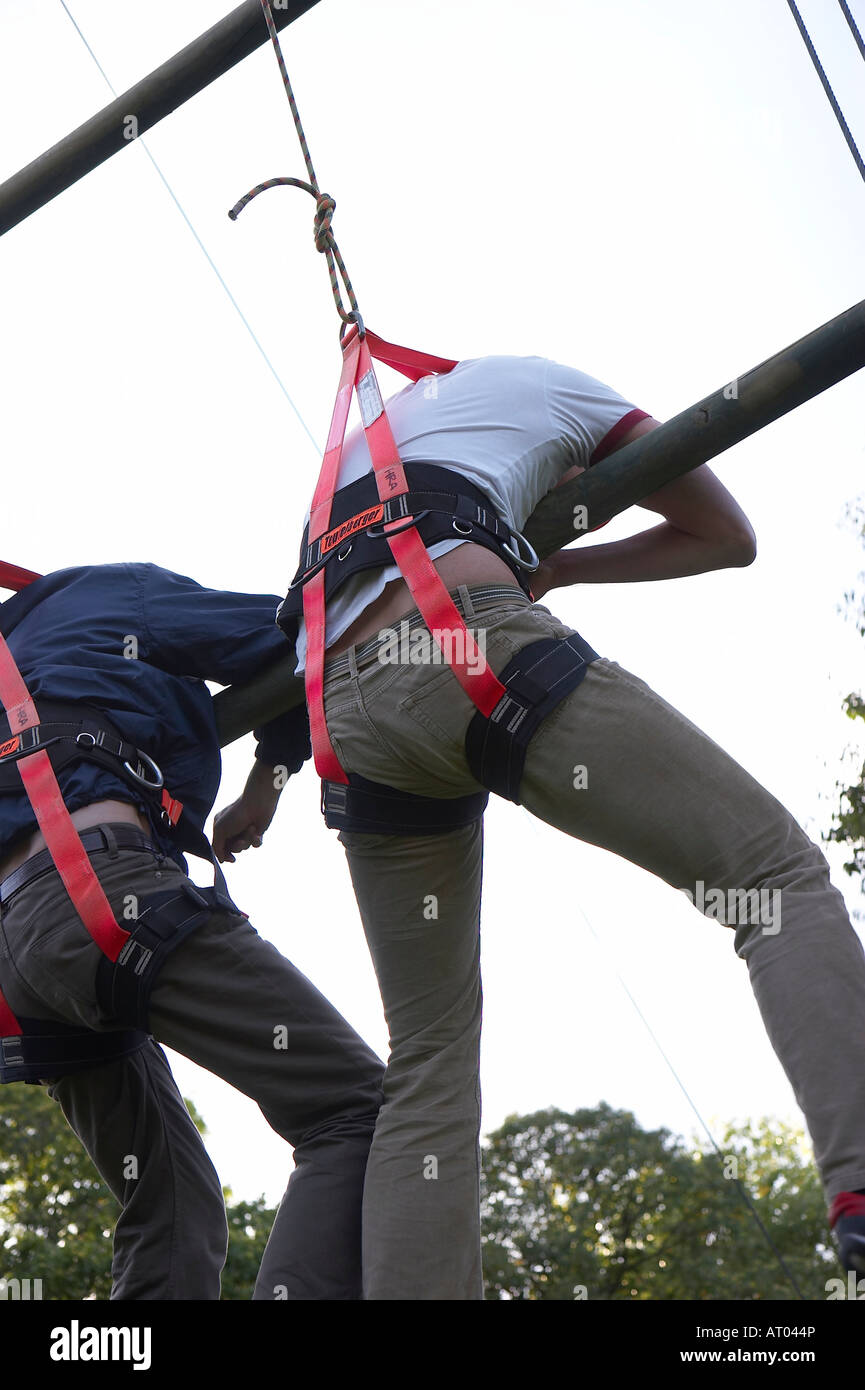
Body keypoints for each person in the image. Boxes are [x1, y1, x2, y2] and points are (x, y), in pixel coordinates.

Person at [219, 350, 865, 1301]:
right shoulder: (548, 385)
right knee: (770, 878)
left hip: (349, 725)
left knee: (427, 1053)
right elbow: (723, 533)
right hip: (469, 638)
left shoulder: (352, 459)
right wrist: (557, 563)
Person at [0, 561, 384, 1301]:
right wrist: (265, 787)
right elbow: (298, 633)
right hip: (103, 894)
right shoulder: (110, 592)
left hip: (21, 968)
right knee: (357, 1110)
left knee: (173, 1210)